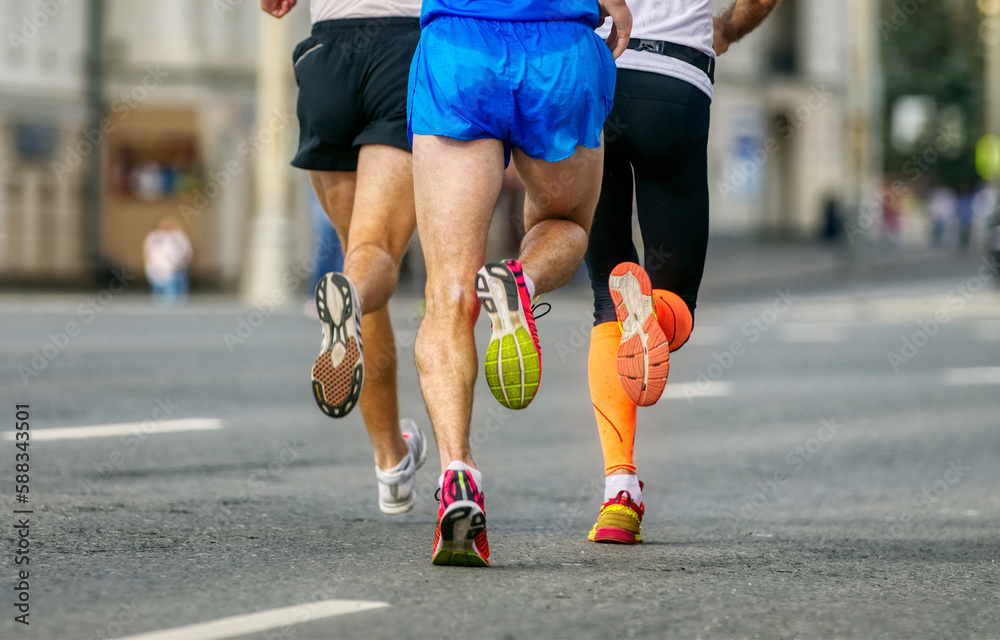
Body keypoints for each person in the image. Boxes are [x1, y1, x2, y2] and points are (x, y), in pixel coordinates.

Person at [409, 0, 632, 566]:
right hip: (559, 51)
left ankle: (457, 476)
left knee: (448, 293)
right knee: (567, 223)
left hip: (460, 48)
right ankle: (522, 279)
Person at [584, 0, 779, 545]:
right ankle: (653, 313)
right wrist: (729, 28)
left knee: (605, 297)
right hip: (675, 84)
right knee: (677, 300)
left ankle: (619, 493)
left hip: (592, 74)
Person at [260, 0, 428, 516]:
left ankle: (391, 462)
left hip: (327, 51)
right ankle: (349, 296)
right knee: (375, 253)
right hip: (406, 46)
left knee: (358, 251)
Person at [143, 215, 193, 304]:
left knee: (173, 293)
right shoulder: (155, 237)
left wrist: (181, 263)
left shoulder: (178, 237)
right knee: (163, 293)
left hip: (174, 269)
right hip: (159, 269)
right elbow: (147, 252)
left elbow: (186, 252)